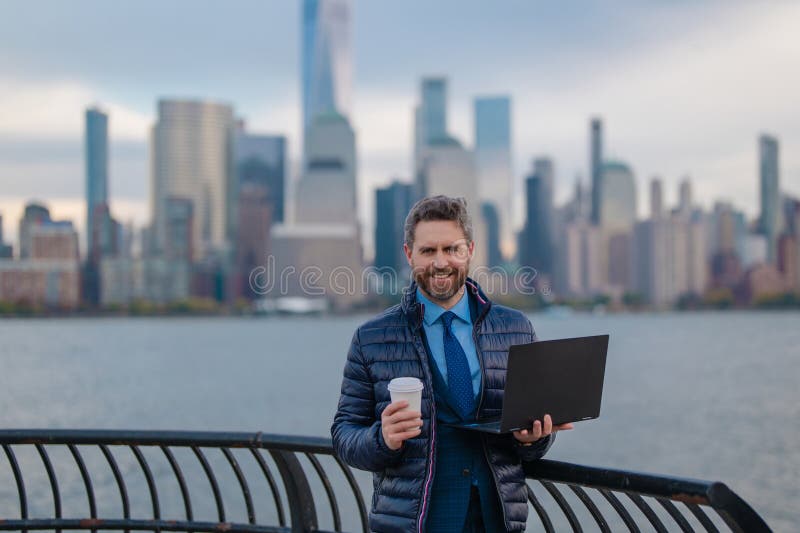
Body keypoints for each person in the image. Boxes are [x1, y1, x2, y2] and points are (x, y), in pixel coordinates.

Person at [331, 195, 573, 532]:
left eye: (451, 249)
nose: (440, 262)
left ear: (470, 250)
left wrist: (533, 439)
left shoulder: (516, 329)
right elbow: (344, 435)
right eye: (428, 250)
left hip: (496, 520)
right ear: (409, 254)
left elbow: (531, 443)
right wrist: (382, 438)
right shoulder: (370, 338)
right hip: (416, 523)